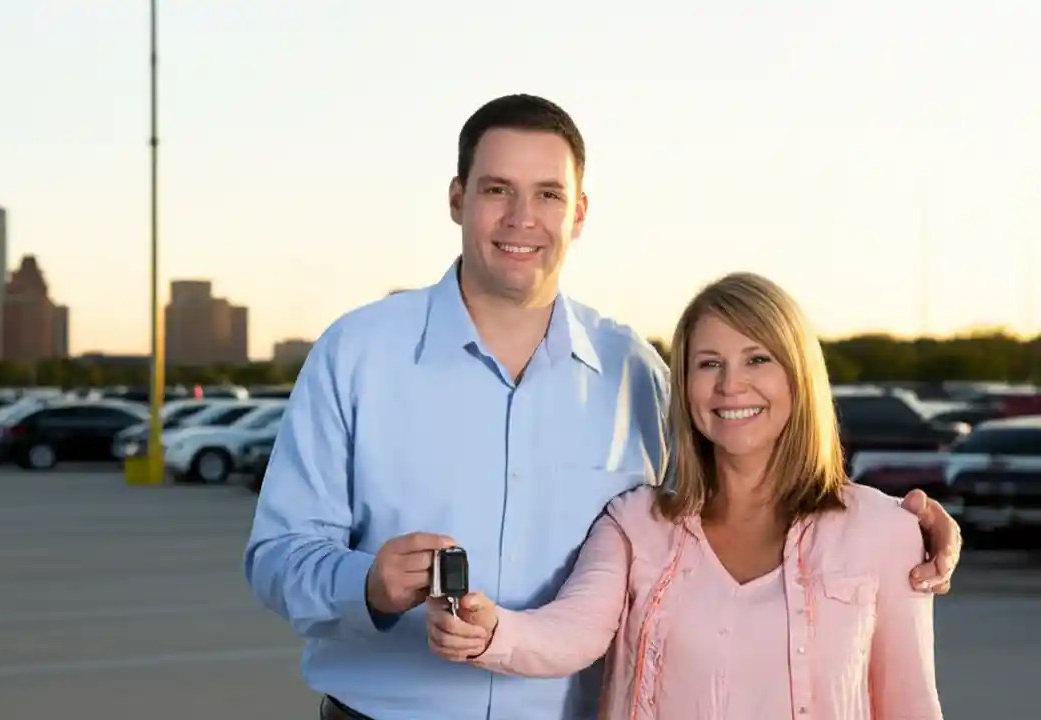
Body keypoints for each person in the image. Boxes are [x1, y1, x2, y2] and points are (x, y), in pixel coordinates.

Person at [244, 94, 960, 720]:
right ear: (457, 199)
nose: (523, 218)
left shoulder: (635, 374)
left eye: (549, 194)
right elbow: (276, 557)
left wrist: (901, 531)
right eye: (498, 190)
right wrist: (365, 583)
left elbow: (730, 502)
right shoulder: (357, 355)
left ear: (579, 211)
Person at [427, 272, 943, 719]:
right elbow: (571, 633)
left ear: (799, 376)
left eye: (757, 359)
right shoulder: (636, 524)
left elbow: (909, 705)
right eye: (709, 363)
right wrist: (491, 631)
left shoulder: (887, 531)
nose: (730, 385)